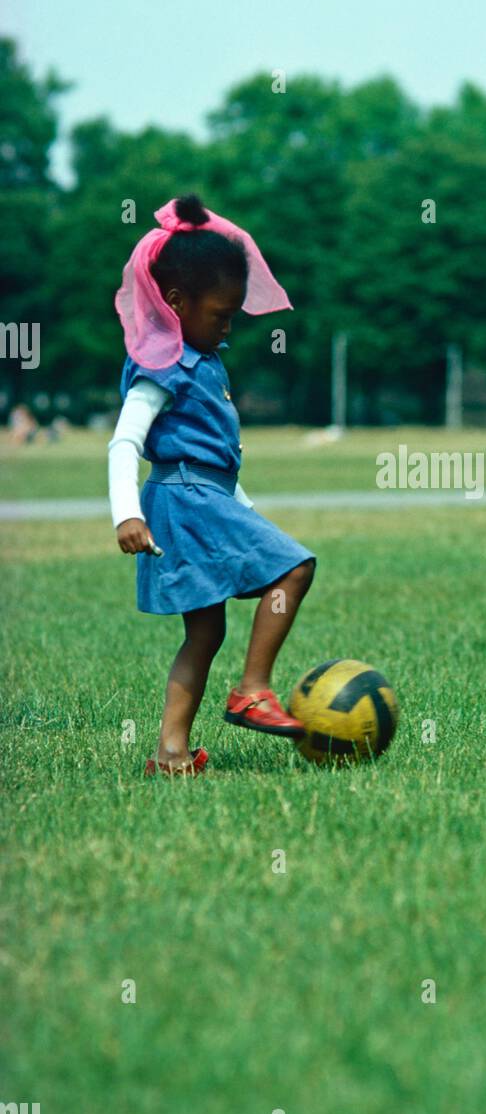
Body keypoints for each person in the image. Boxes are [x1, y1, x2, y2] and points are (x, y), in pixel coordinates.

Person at [108, 194, 316, 776]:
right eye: (220, 314)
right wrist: (127, 514)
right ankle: (252, 689)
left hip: (204, 498)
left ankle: (171, 754)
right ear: (175, 302)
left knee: (206, 633)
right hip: (182, 501)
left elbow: (218, 465)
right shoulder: (160, 366)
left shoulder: (202, 357)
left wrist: (247, 510)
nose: (227, 326)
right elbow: (125, 441)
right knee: (295, 568)